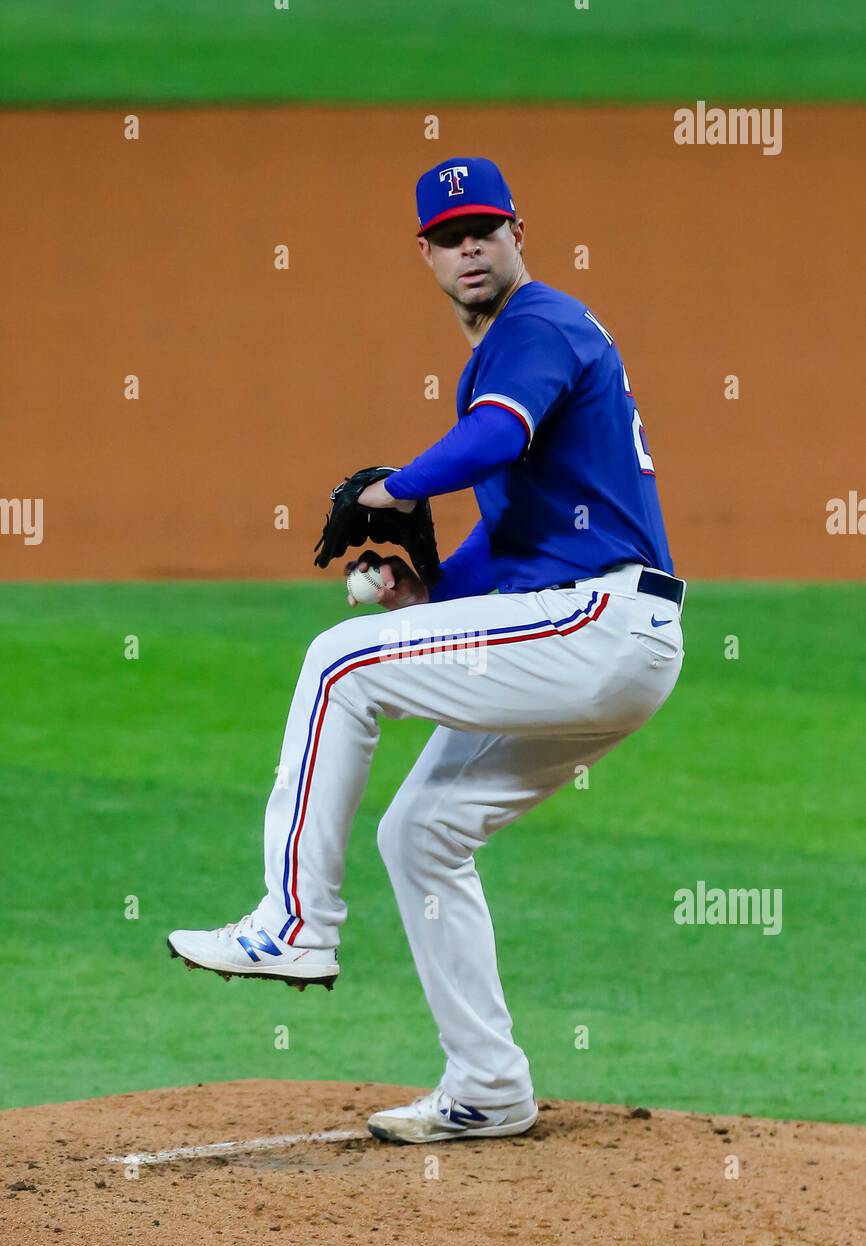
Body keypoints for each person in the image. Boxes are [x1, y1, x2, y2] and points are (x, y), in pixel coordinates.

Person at [169, 156, 685, 1145]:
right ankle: (487, 1084)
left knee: (336, 662)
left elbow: (492, 440)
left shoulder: (537, 327)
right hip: (604, 639)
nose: (468, 248)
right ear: (426, 254)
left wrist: (393, 488)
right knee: (421, 830)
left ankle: (292, 925)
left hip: (601, 623)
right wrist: (426, 599)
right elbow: (507, 540)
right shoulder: (507, 356)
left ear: (516, 234)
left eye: (483, 230)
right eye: (449, 237)